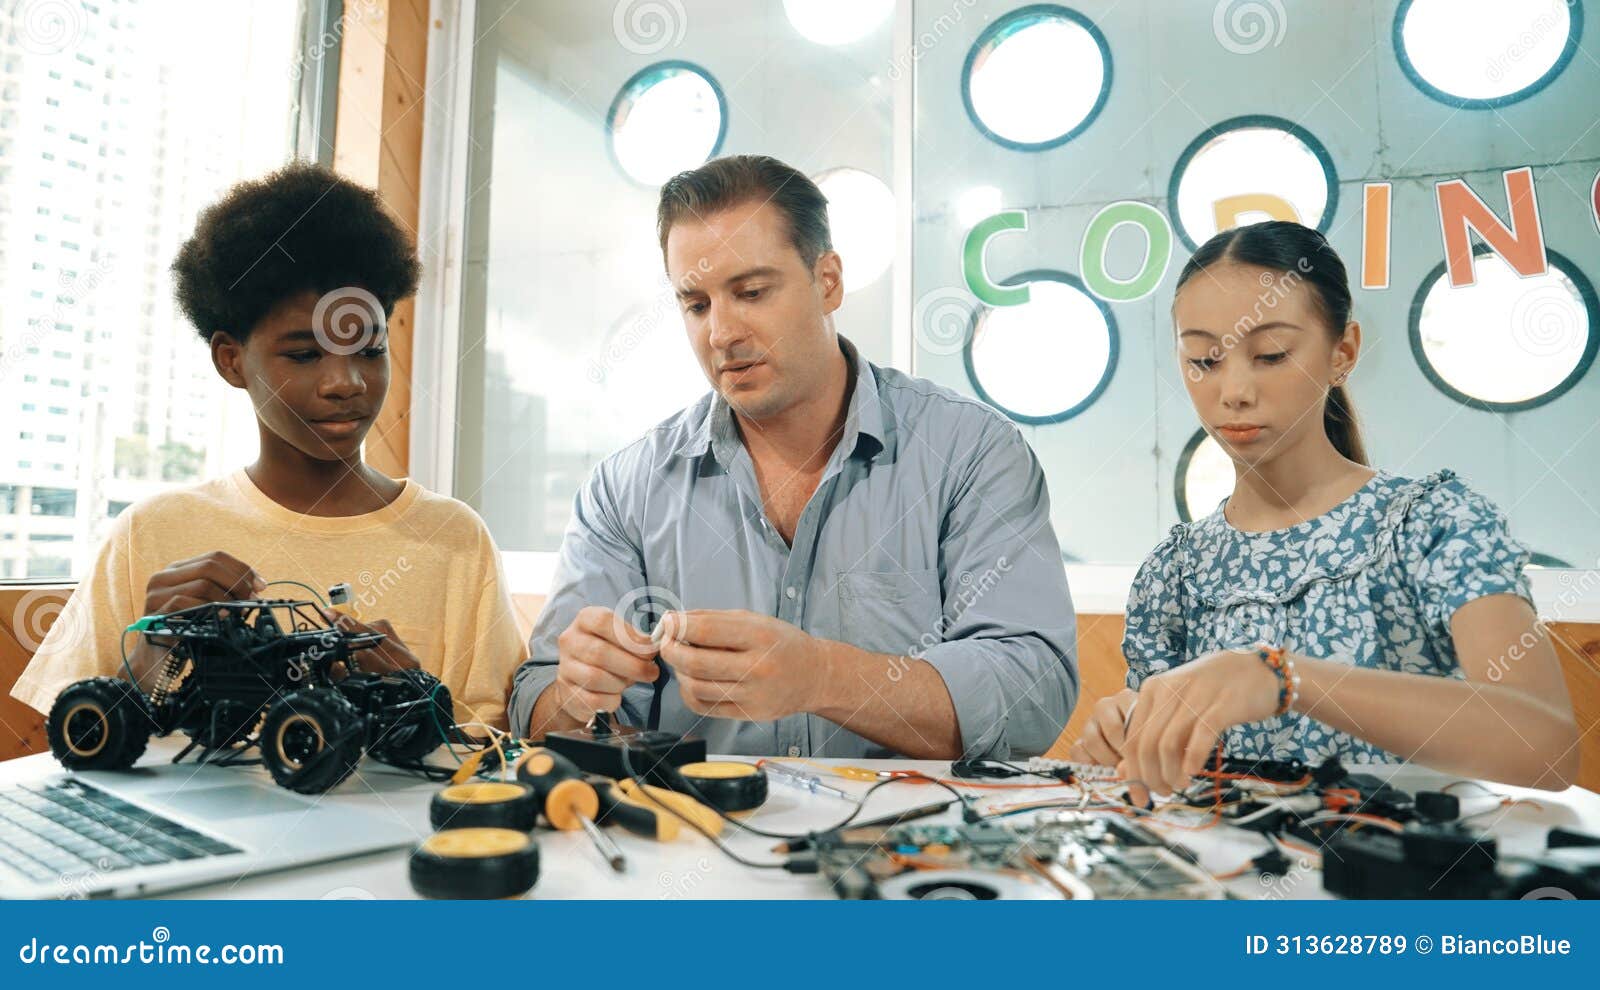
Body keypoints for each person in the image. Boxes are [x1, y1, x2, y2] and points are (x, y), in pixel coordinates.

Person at [510, 154, 1077, 759]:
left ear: (827, 280)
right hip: (693, 838)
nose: (722, 333)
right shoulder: (625, 491)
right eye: (696, 304)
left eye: (751, 292)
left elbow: (1031, 692)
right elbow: (534, 705)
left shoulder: (969, 453)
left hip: (910, 845)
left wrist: (822, 677)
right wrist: (576, 692)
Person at [12, 163, 528, 732]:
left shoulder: (454, 539)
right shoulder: (152, 533)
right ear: (231, 359)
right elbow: (78, 746)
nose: (346, 383)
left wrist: (416, 705)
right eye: (305, 355)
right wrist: (148, 658)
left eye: (369, 350)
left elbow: (499, 754)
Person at [1071, 220, 1578, 793]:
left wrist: (1287, 679)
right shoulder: (1175, 572)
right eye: (1204, 361)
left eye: (1270, 354)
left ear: (1344, 352)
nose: (1233, 390)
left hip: (1396, 879)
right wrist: (1123, 737)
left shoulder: (1436, 525)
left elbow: (1547, 747)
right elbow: (1161, 776)